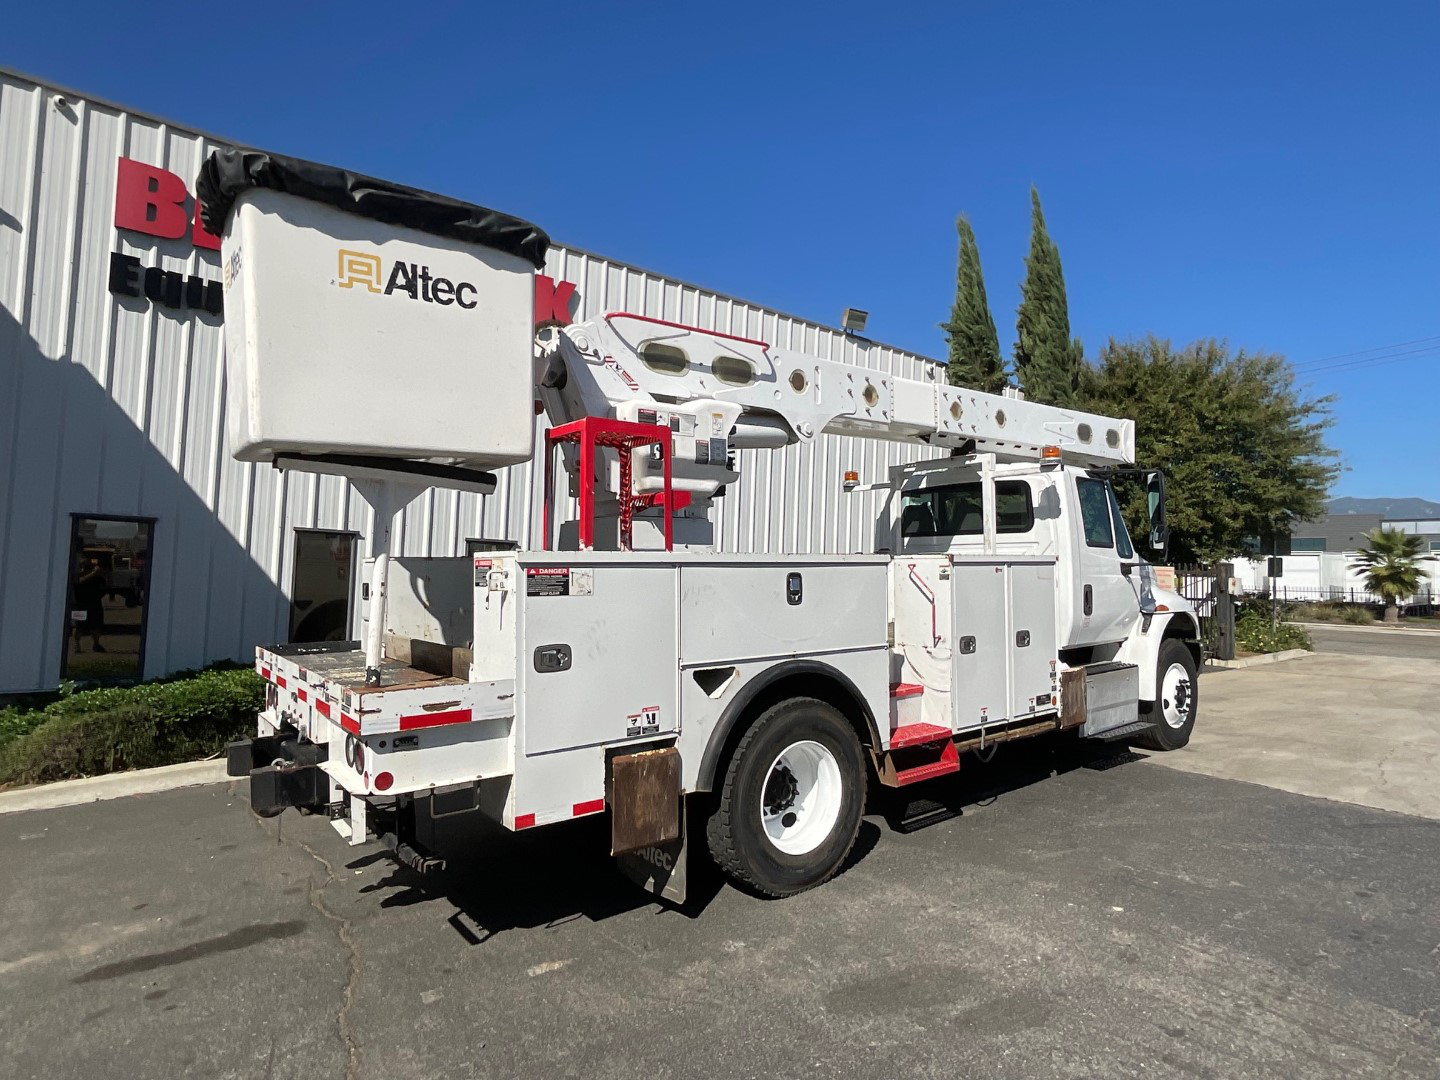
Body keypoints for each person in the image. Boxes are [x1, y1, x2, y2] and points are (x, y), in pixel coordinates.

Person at [72, 554, 106, 653]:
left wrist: (100, 573)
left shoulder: (96, 576)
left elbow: (104, 586)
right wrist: (93, 573)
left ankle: (96, 644)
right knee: (78, 626)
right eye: (82, 565)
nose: (84, 568)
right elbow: (79, 581)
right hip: (80, 605)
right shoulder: (77, 575)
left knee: (96, 626)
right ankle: (77, 646)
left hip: (95, 604)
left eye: (86, 565)